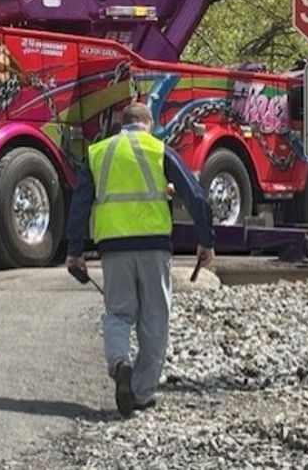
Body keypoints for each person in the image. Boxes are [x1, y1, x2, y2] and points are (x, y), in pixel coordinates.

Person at [65, 103, 216, 416]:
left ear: (122, 124)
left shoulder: (98, 153)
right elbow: (194, 195)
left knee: (118, 313)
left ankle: (120, 363)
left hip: (112, 246)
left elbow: (80, 204)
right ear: (150, 124)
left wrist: (75, 251)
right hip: (154, 246)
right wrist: (206, 239)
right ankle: (142, 392)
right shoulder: (158, 149)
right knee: (155, 318)